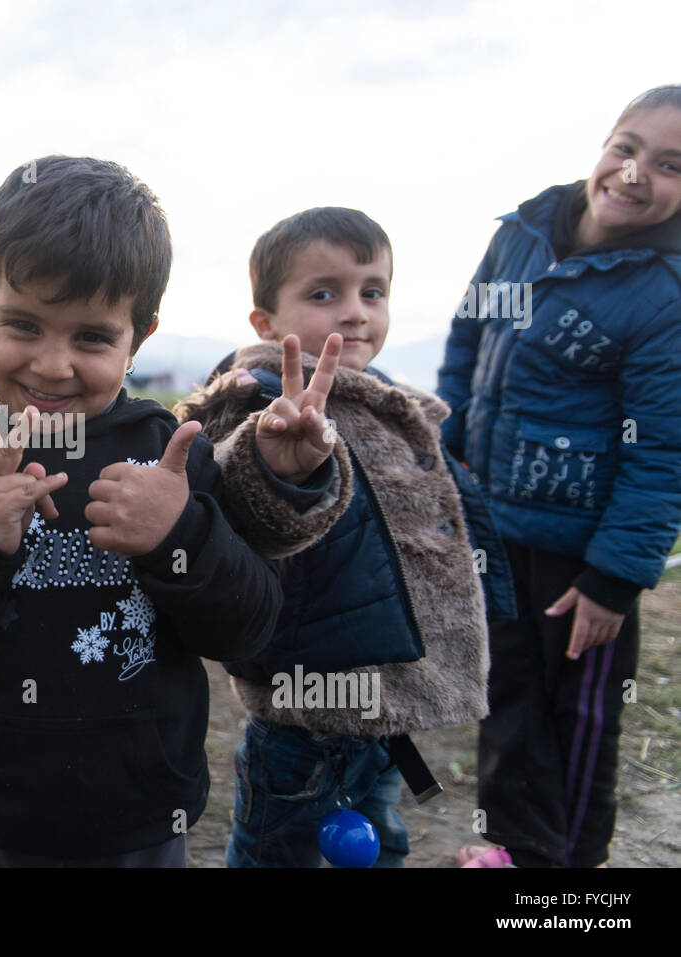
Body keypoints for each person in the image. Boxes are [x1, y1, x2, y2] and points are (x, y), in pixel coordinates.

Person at [0, 155, 347, 867]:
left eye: (91, 337)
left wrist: (177, 534)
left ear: (139, 336)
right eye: (22, 325)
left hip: (141, 819)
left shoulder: (171, 457)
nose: (53, 365)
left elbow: (250, 627)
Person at [181, 207, 515, 867]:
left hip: (386, 705)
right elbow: (241, 494)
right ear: (265, 322)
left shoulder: (386, 403)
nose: (356, 312)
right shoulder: (264, 403)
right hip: (307, 709)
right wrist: (282, 467)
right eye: (323, 293)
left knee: (377, 845)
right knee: (280, 852)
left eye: (373, 290)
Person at [437, 86, 681, 869]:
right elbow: (465, 342)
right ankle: (515, 847)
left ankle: (572, 874)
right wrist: (448, 458)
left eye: (671, 165)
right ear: (605, 143)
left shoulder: (664, 294)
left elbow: (664, 449)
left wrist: (614, 578)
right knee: (504, 695)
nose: (636, 172)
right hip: (496, 526)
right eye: (627, 145)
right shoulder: (519, 235)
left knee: (577, 714)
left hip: (585, 553)